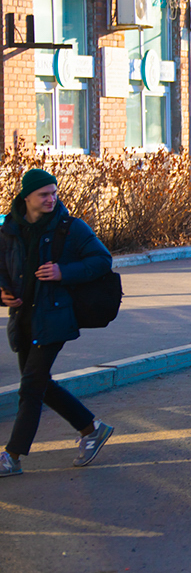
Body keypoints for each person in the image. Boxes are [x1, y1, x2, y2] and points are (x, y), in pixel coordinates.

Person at [0, 169, 114, 478]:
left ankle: (12, 456)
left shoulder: (70, 228)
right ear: (27, 198)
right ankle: (92, 429)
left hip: (54, 317)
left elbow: (102, 260)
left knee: (31, 386)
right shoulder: (9, 229)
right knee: (39, 384)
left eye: (54, 193)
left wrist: (64, 272)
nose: (51, 199)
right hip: (23, 318)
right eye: (44, 194)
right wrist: (3, 292)